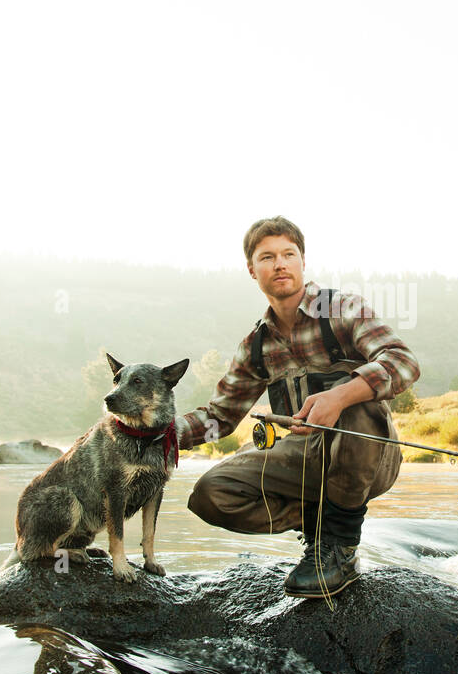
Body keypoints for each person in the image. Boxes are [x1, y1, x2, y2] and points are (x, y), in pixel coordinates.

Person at [173, 215, 421, 598]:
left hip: (370, 457)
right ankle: (320, 526)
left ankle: (340, 546)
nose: (280, 264)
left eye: (289, 254)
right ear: (252, 270)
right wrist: (156, 432)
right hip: (304, 460)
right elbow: (219, 418)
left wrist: (340, 396)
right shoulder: (255, 346)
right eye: (267, 257)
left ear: (303, 262)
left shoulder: (342, 308)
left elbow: (404, 362)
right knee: (211, 493)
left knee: (356, 405)